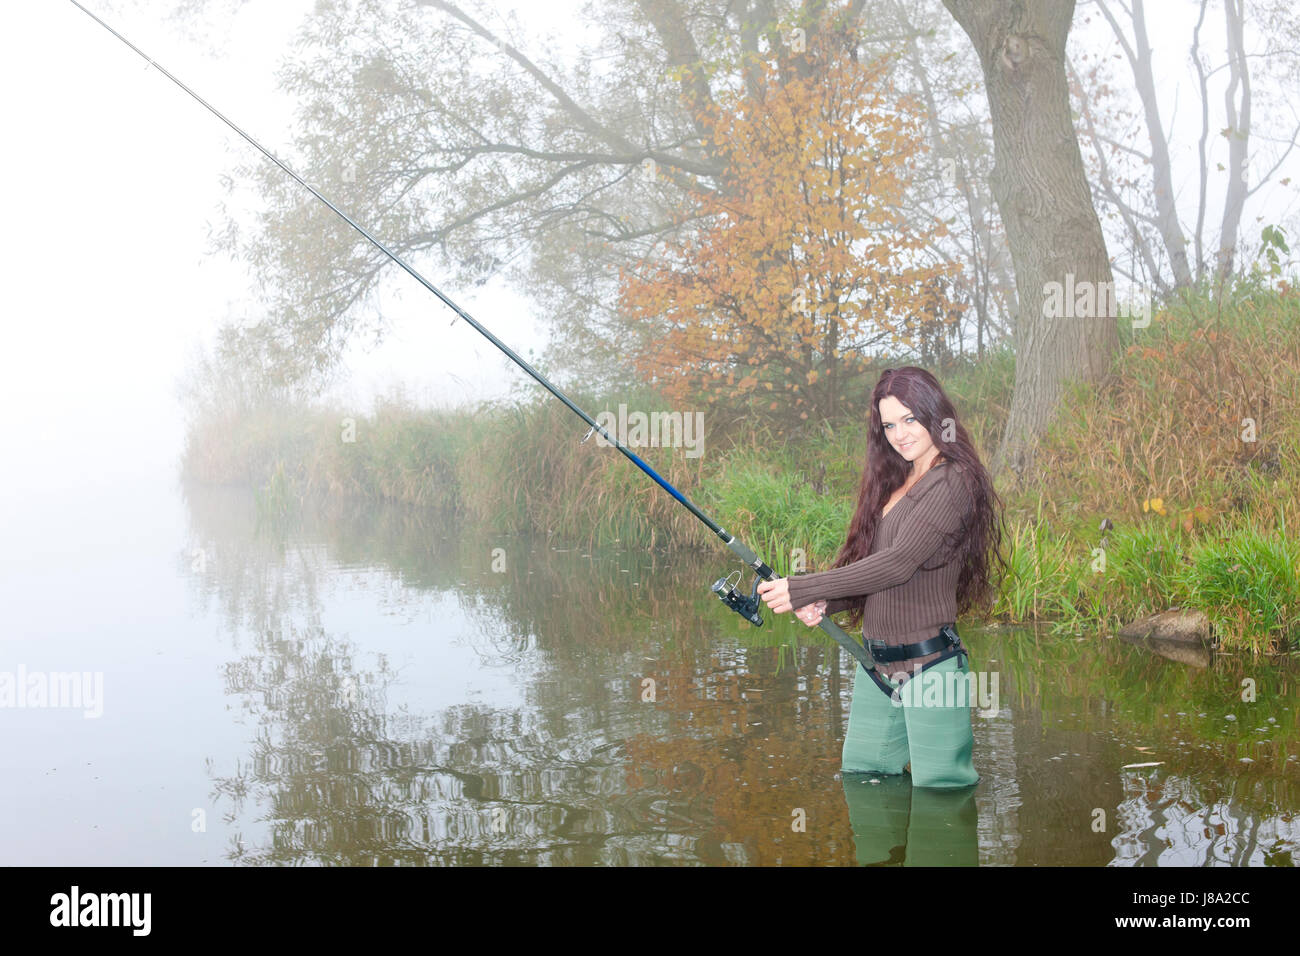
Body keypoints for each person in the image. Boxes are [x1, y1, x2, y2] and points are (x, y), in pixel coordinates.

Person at [757, 366, 1006, 788]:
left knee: (941, 796)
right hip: (875, 667)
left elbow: (899, 562)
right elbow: (874, 570)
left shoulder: (953, 482)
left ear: (934, 414)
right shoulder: (895, 481)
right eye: (889, 424)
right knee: (861, 779)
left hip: (931, 669)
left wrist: (803, 587)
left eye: (910, 419)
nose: (900, 434)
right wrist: (828, 602)